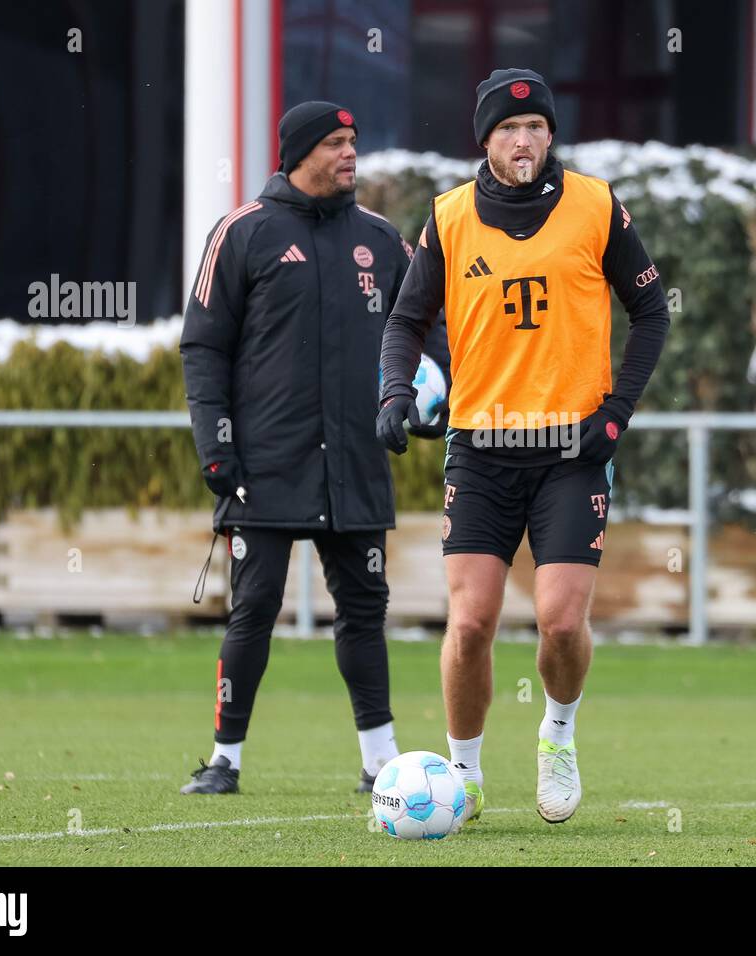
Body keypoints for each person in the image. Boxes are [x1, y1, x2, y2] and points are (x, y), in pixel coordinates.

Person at [377, 69, 670, 824]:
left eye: (536, 126)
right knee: (471, 622)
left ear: (550, 135)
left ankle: (558, 735)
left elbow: (652, 312)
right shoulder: (448, 217)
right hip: (480, 450)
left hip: (573, 452)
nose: (524, 139)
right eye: (509, 128)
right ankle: (464, 774)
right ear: (486, 140)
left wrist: (616, 413)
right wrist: (394, 393)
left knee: (561, 622)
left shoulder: (596, 205)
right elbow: (406, 321)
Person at [178, 101, 442, 795]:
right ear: (298, 155)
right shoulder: (241, 232)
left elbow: (428, 332)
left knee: (365, 611)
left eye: (353, 141)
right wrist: (216, 446)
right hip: (264, 465)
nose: (350, 153)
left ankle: (379, 763)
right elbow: (203, 347)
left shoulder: (382, 240)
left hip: (356, 462)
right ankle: (225, 760)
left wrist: (430, 399)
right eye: (334, 143)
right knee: (254, 608)